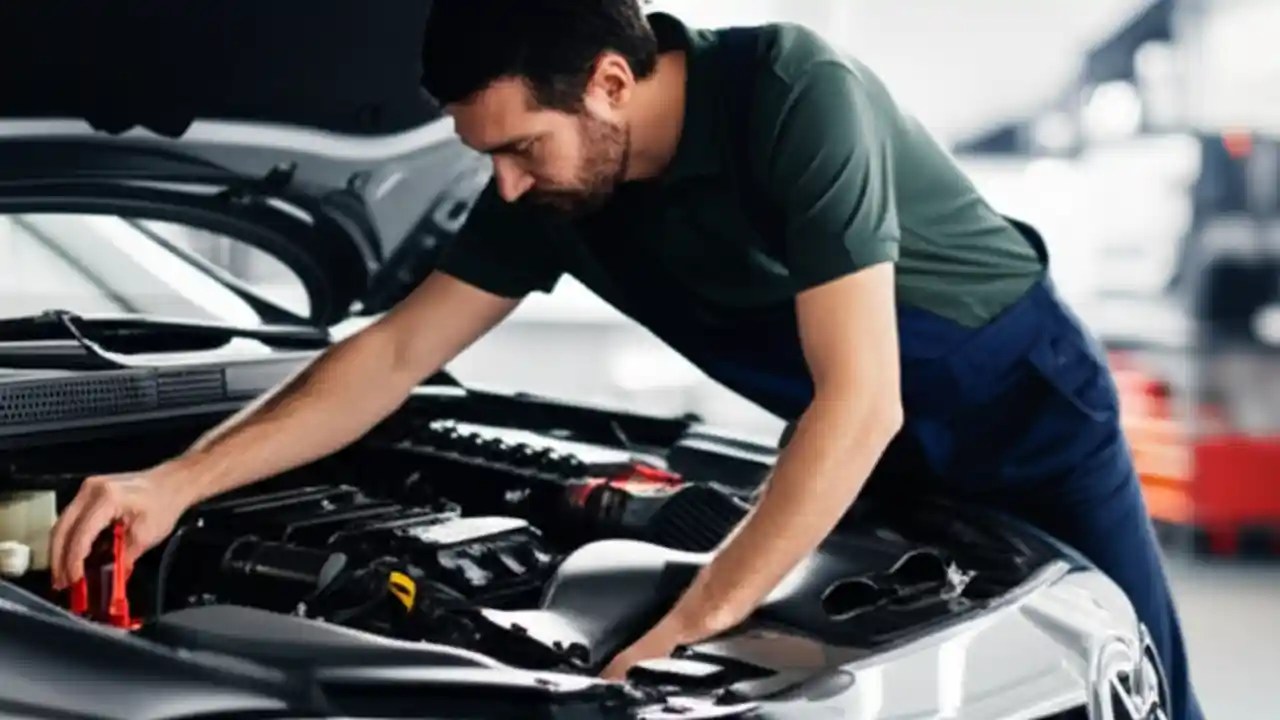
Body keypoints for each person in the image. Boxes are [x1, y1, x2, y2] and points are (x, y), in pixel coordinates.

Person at [49, 2, 1201, 716]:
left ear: (609, 81)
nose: (500, 182)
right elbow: (394, 352)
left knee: (1130, 679)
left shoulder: (797, 97)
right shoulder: (551, 190)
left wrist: (702, 611)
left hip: (1023, 412)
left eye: (516, 146)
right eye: (483, 153)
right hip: (878, 451)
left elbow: (857, 399)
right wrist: (175, 483)